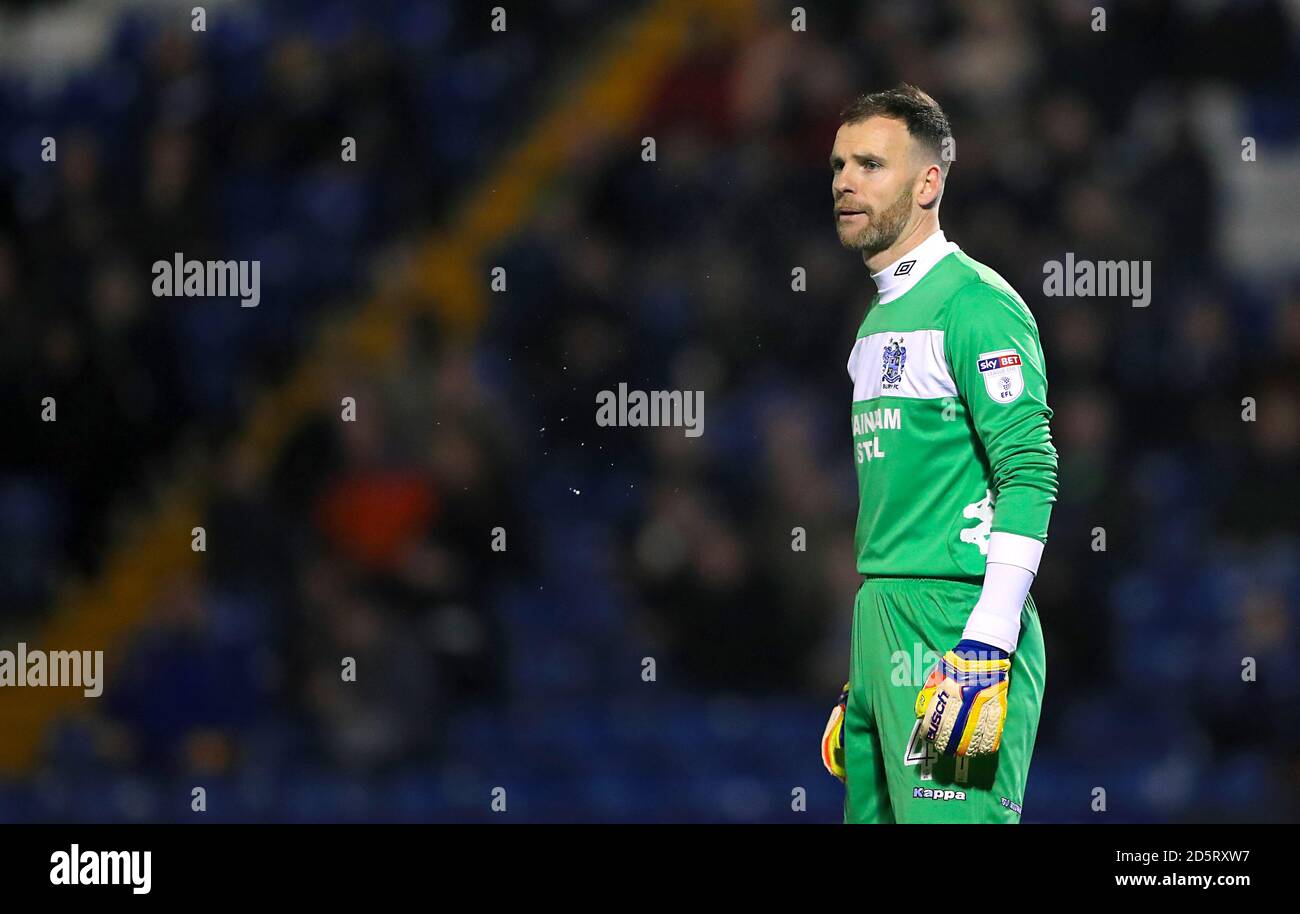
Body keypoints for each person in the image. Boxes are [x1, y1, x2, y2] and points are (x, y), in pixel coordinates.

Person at [820, 84, 1058, 823]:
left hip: (956, 628)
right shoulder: (875, 323)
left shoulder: (975, 304)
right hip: (884, 622)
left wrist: (986, 640)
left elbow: (1031, 471)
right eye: (836, 166)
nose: (844, 182)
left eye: (869, 163)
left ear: (929, 183)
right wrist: (867, 675)